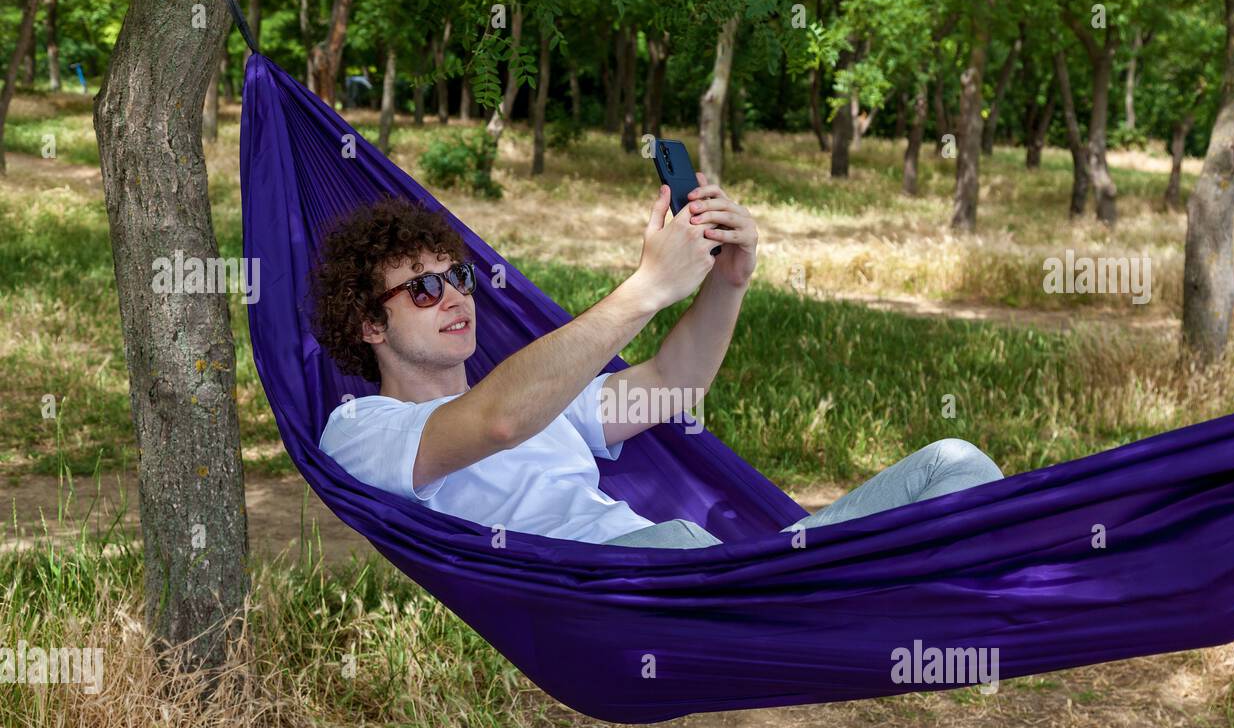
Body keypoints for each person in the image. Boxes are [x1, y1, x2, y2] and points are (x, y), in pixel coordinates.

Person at [313, 187, 1002, 548]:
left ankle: (916, 594)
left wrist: (728, 279)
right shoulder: (364, 428)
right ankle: (888, 590)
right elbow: (494, 422)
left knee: (955, 463)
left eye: (457, 276)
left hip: (705, 569)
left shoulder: (546, 404)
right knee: (676, 542)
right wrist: (646, 288)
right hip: (630, 595)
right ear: (369, 324)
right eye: (423, 288)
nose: (453, 296)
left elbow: (674, 383)